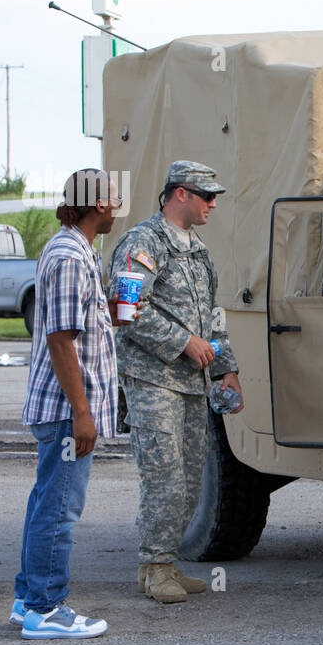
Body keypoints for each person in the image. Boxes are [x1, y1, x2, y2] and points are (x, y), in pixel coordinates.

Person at [109, 160, 242, 604]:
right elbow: (125, 311)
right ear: (180, 194)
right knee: (163, 477)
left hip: (192, 385)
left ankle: (161, 565)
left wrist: (226, 370)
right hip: (152, 382)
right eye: (207, 195)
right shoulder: (143, 243)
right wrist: (184, 342)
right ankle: (156, 565)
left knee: (188, 480)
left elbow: (213, 317)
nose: (213, 203)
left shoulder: (197, 249)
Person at [14, 168, 122, 639]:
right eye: (114, 198)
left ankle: (27, 600)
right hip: (64, 412)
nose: (117, 206)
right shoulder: (70, 256)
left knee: (47, 503)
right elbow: (61, 340)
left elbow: (73, 326)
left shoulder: (77, 251)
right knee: (59, 508)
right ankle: (45, 609)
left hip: (64, 409)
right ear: (98, 204)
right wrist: (83, 413)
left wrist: (112, 312)